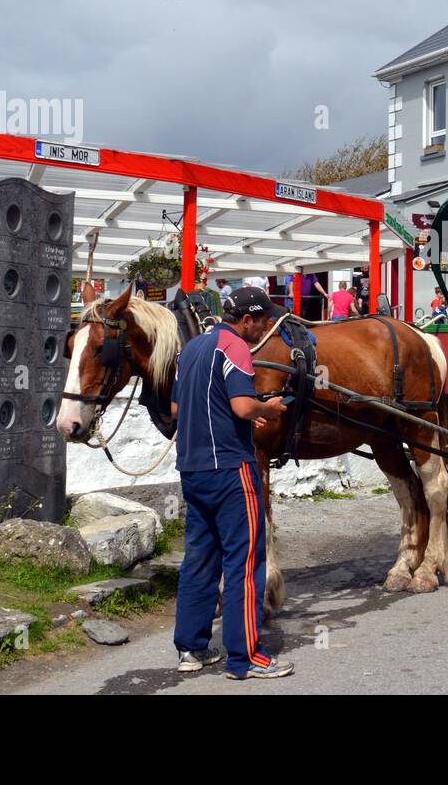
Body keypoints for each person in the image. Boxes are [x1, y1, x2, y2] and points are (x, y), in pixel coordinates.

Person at [171, 287, 292, 680]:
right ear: (246, 320)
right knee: (243, 561)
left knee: (199, 560)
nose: (265, 326)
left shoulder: (191, 349)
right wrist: (266, 409)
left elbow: (177, 407)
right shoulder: (236, 347)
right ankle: (246, 658)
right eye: (263, 320)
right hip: (230, 470)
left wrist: (238, 413)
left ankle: (192, 649)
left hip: (193, 469)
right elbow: (242, 405)